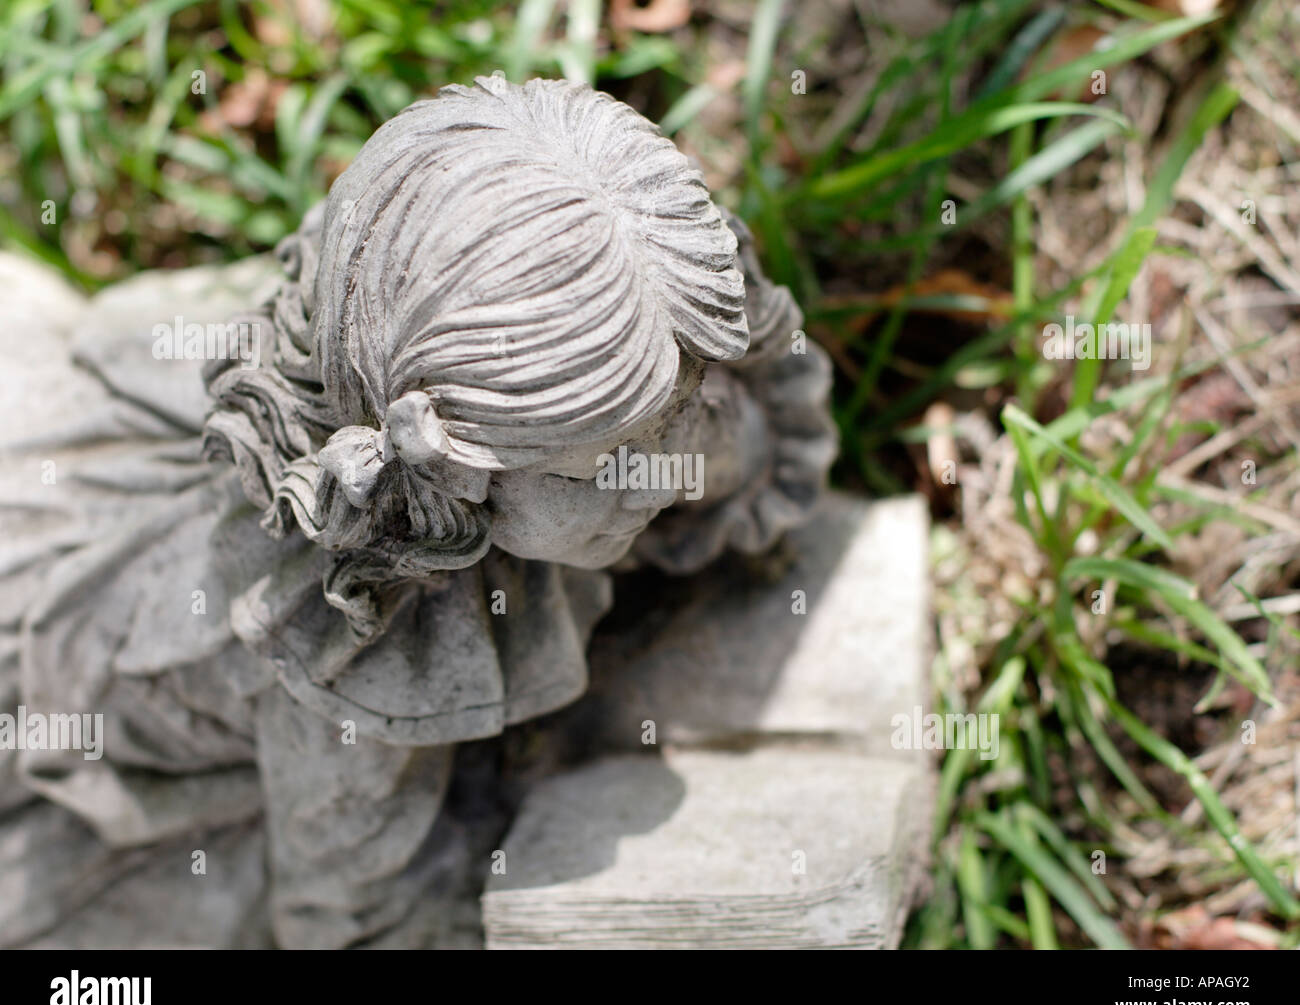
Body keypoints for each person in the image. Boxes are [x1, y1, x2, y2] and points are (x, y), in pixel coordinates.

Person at [0, 75, 834, 948]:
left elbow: (751, 406)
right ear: (450, 466)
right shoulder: (347, 659)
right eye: (600, 471)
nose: (661, 477)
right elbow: (346, 912)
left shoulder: (423, 285)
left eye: (679, 411)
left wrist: (725, 437)